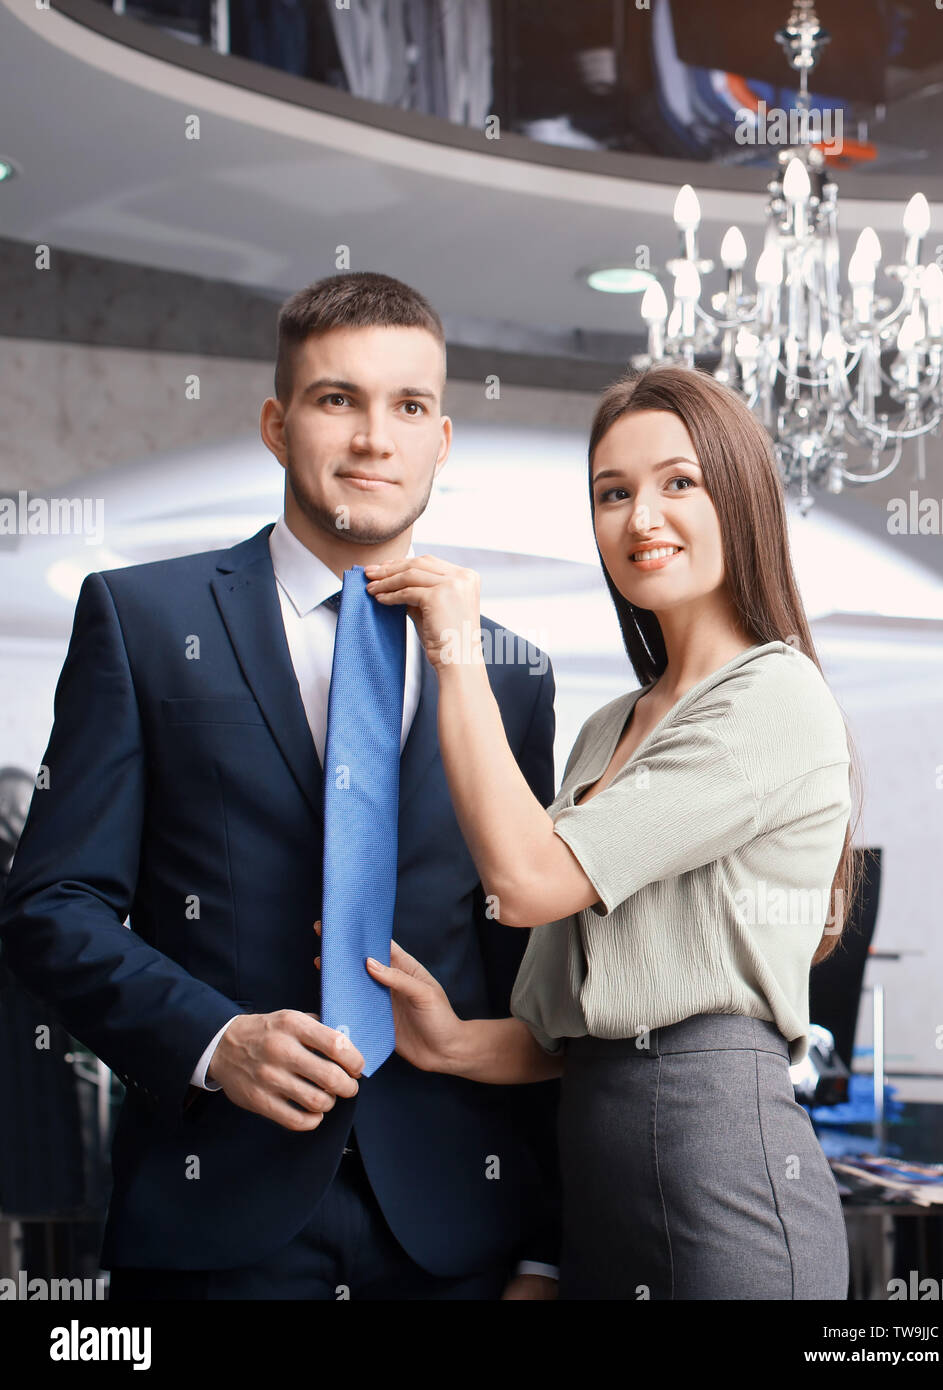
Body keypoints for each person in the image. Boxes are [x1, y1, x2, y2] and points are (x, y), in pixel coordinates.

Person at [0, 271, 561, 1300]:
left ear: (440, 440)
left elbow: (527, 966)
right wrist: (213, 1040)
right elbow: (51, 906)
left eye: (408, 407)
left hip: (454, 1235)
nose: (371, 439)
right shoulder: (138, 619)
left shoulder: (507, 674)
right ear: (275, 422)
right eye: (336, 399)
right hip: (214, 1220)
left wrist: (542, 1245)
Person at [352, 364, 859, 1301]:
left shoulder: (772, 696)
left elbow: (527, 881)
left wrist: (456, 646)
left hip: (724, 1179)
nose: (640, 519)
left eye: (677, 483)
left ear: (738, 498)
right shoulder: (607, 728)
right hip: (603, 1183)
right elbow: (580, 1034)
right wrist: (454, 1041)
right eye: (612, 494)